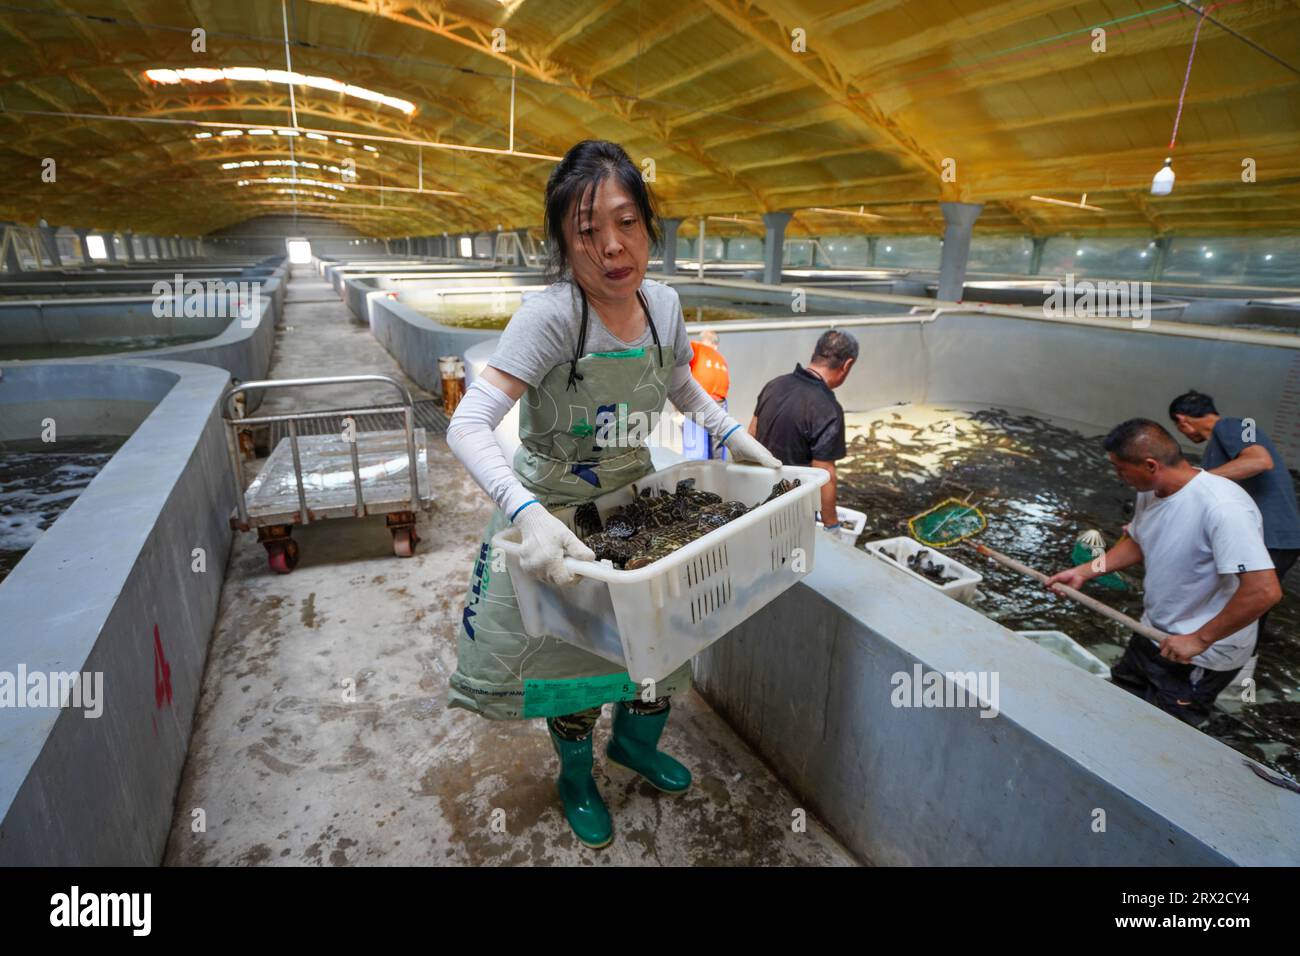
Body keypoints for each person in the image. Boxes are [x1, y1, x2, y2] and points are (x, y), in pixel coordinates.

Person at [444, 140, 780, 850]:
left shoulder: (663, 305)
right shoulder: (552, 318)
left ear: (649, 224)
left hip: (635, 499)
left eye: (626, 222)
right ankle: (575, 777)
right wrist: (527, 514)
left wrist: (733, 434)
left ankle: (633, 745)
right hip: (557, 511)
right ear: (564, 246)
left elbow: (681, 385)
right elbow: (468, 423)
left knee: (654, 647)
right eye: (587, 231)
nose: (612, 247)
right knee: (575, 664)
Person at [1045, 419, 1281, 727]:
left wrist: (1199, 639)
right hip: (1153, 632)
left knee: (1164, 731)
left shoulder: (1223, 508)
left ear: (1151, 465)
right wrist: (1085, 572)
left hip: (1198, 654)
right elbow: (1141, 541)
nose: (1119, 477)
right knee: (1117, 707)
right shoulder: (1152, 489)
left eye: (1120, 469)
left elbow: (1264, 591)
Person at [1168, 389, 1299, 648]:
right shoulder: (1220, 446)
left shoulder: (1234, 425)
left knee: (1243, 601)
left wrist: (1194, 482)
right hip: (1278, 539)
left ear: (1182, 420)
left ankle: (1218, 664)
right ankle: (1240, 665)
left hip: (1268, 535)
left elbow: (1260, 461)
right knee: (1251, 608)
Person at [748, 329, 857, 534]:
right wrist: (832, 524)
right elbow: (824, 474)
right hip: (793, 510)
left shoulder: (774, 385)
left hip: (757, 499)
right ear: (847, 365)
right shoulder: (828, 409)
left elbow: (751, 436)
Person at [681, 328, 729, 460]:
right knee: (714, 446)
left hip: (703, 402)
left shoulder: (696, 347)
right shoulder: (716, 356)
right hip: (715, 403)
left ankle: (697, 474)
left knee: (696, 449)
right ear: (716, 345)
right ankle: (716, 473)